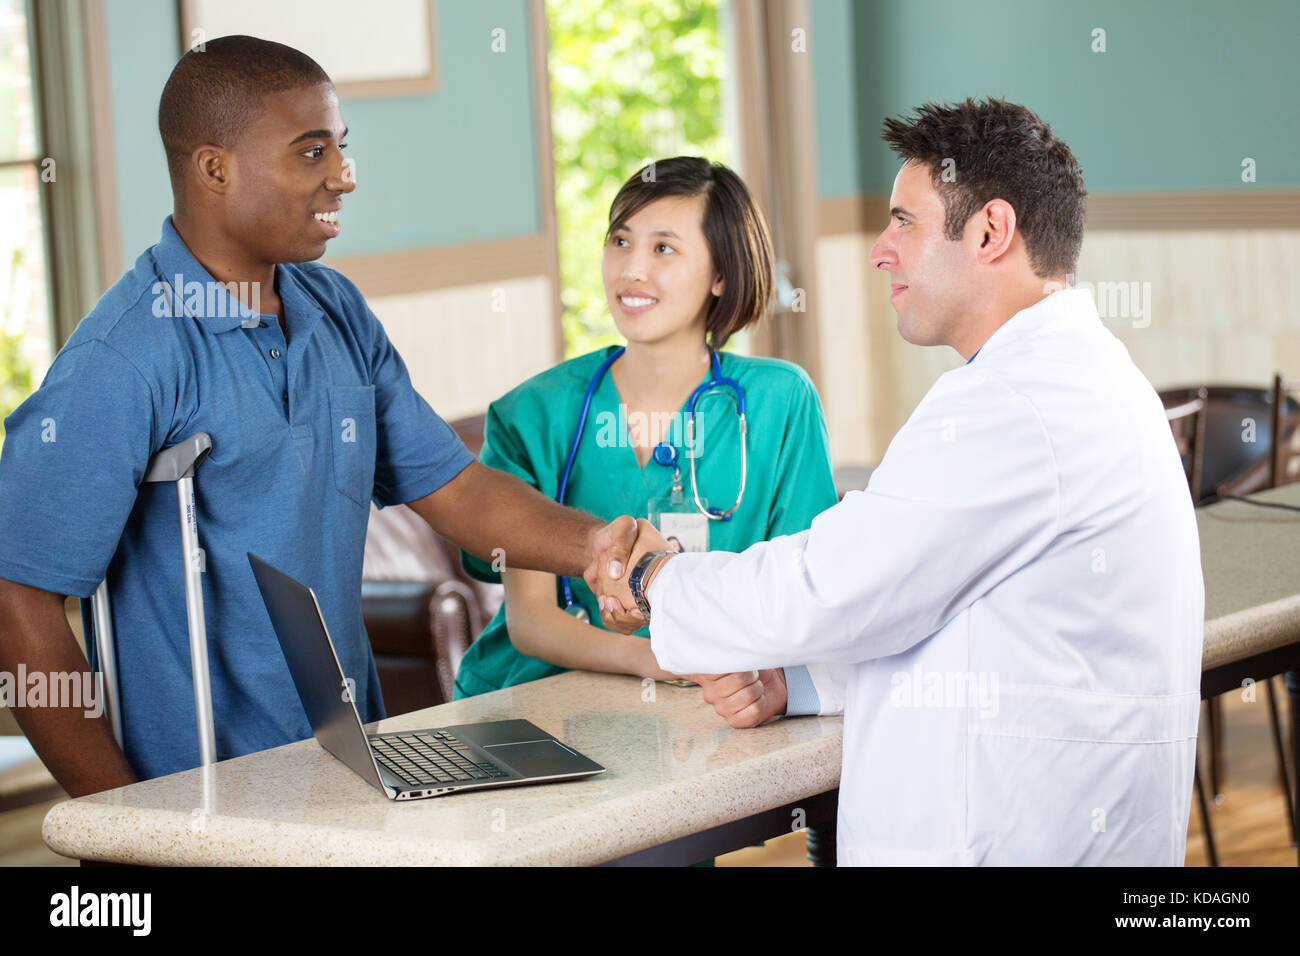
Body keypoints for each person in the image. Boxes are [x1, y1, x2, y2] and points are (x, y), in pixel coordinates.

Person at [0, 36, 648, 796]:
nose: (344, 176)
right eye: (312, 153)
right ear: (215, 168)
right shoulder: (125, 358)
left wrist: (599, 546)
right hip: (203, 796)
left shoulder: (333, 309)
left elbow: (457, 490)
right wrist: (117, 820)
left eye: (340, 148)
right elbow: (18, 597)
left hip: (349, 768)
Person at [601, 98, 1205, 865]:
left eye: (904, 223)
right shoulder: (1077, 376)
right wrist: (804, 682)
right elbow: (947, 610)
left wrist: (660, 577)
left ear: (989, 232)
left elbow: (833, 585)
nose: (879, 251)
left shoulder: (1015, 403)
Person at [454, 157, 838, 713]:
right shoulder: (535, 411)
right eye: (620, 241)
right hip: (533, 701)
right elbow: (532, 623)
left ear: (721, 274)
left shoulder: (779, 401)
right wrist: (658, 659)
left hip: (709, 699)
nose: (632, 270)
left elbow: (797, 587)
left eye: (663, 248)